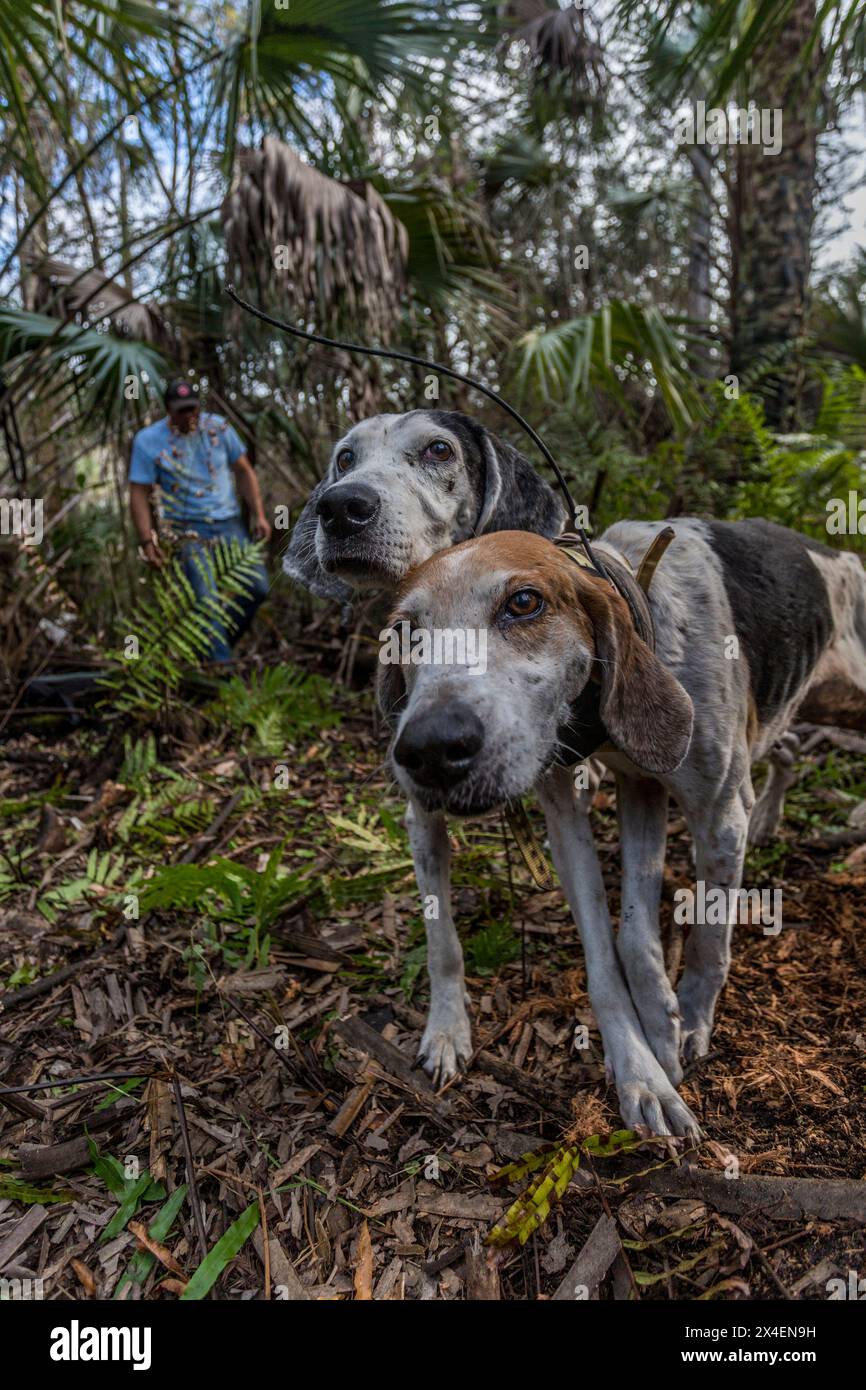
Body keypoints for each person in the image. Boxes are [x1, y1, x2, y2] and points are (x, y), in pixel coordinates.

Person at [129, 379, 272, 662]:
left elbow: (243, 470)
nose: (188, 416)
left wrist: (258, 513)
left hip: (227, 521)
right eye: (181, 410)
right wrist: (147, 540)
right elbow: (138, 492)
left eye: (192, 409)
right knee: (204, 601)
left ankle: (213, 652)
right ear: (168, 410)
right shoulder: (148, 441)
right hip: (185, 529)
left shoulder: (217, 428)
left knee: (257, 588)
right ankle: (223, 673)